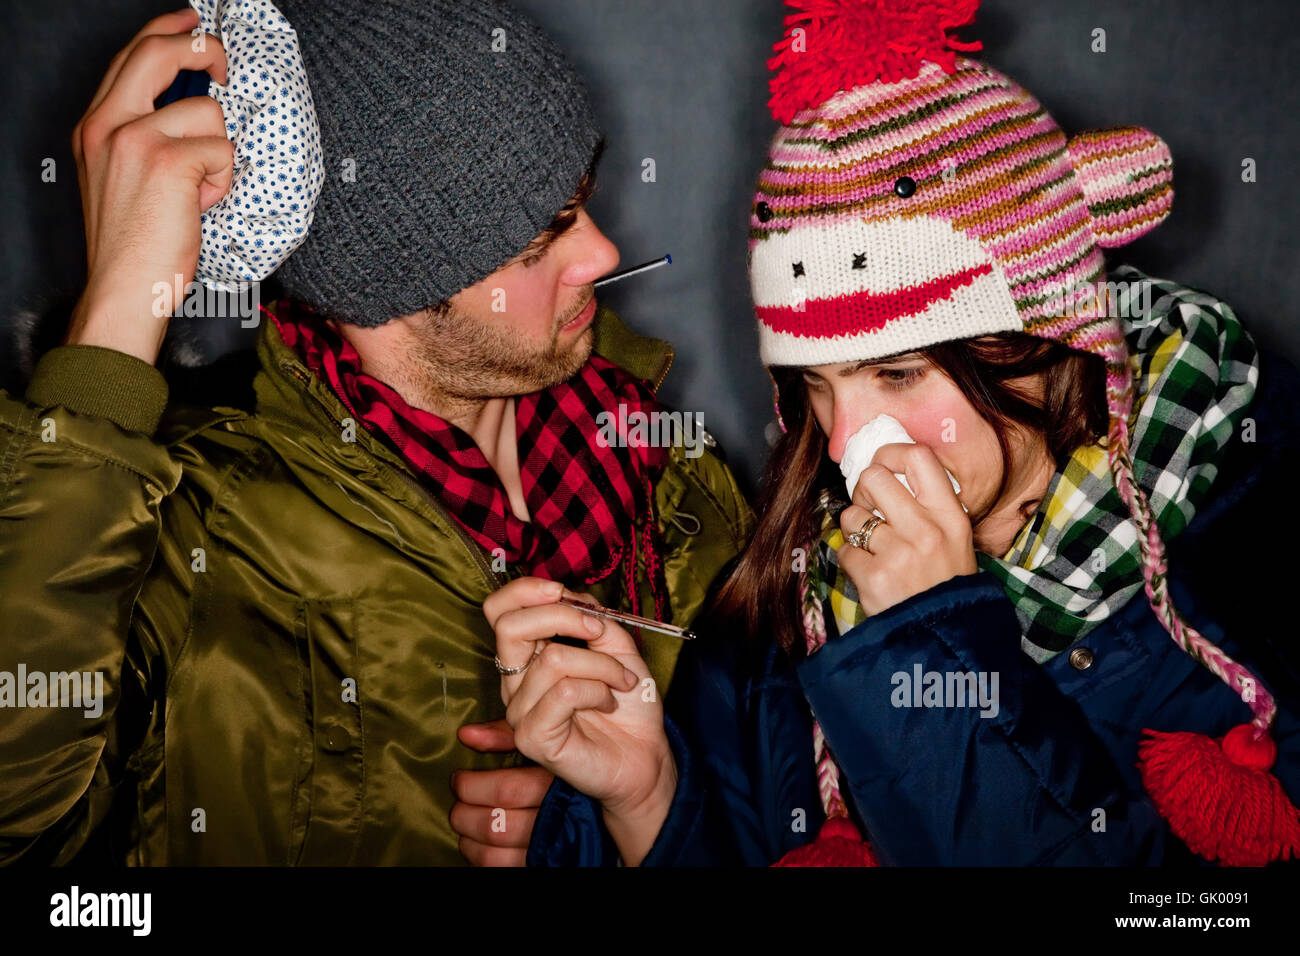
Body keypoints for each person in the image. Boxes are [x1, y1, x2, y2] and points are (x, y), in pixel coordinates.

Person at [489, 0, 1300, 867]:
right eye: (816, 388)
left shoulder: (1259, 551)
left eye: (899, 373)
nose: (845, 448)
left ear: (1049, 344)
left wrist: (932, 639)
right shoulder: (780, 604)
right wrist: (648, 804)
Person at [0, 1, 752, 866]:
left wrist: (626, 823)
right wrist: (114, 322)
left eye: (581, 200)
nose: (604, 252)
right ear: (388, 281)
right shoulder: (187, 533)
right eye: (542, 237)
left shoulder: (673, 469)